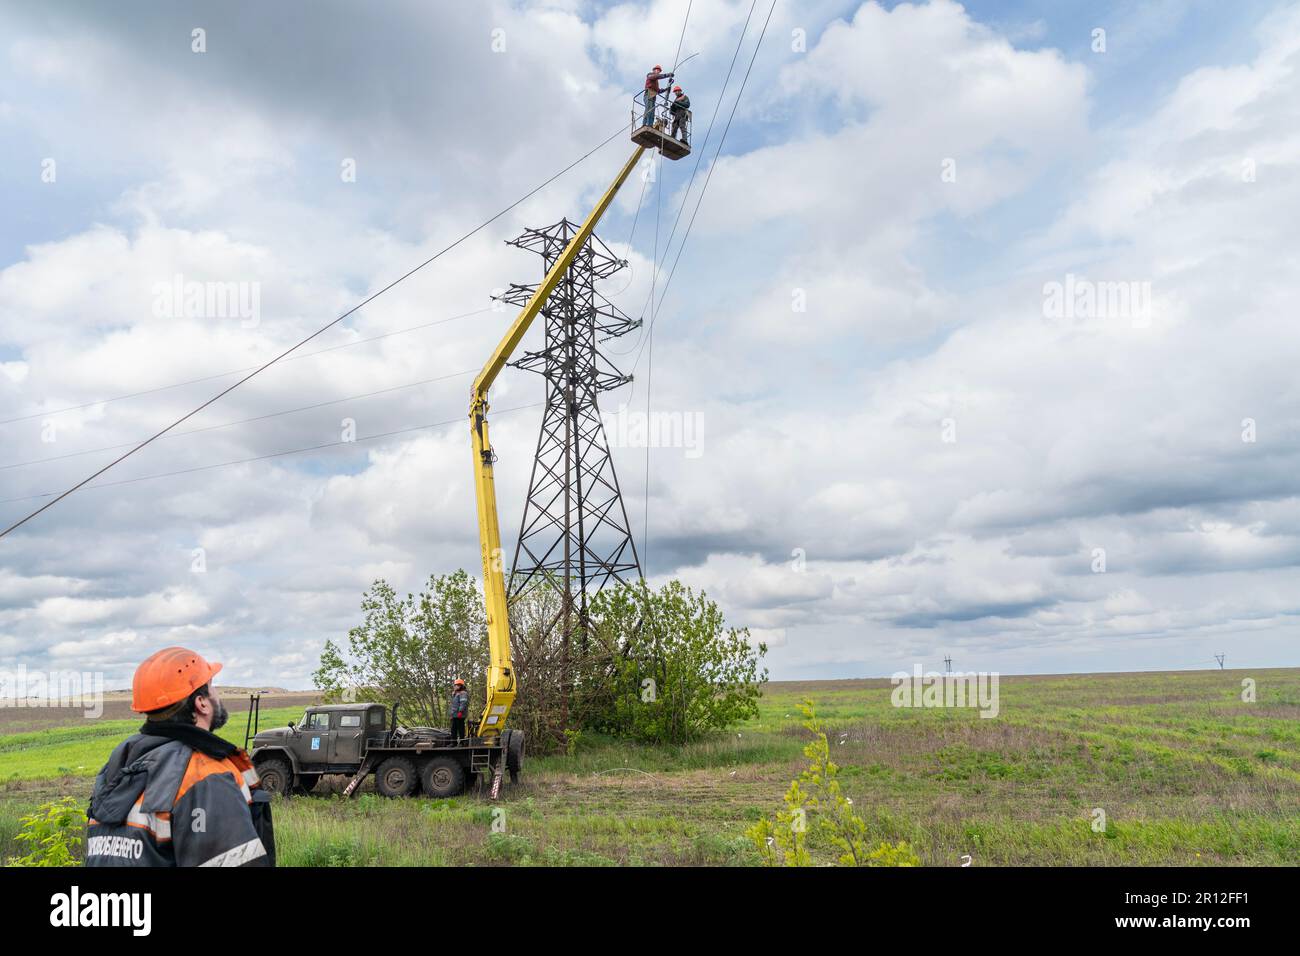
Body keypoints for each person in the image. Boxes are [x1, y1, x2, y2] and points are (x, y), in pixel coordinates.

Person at [85, 646, 275, 867]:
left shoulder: (119, 766)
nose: (217, 694)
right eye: (211, 687)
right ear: (201, 703)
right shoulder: (204, 776)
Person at [643, 64, 674, 128]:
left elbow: (658, 91)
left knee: (652, 111)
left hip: (653, 96)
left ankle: (650, 125)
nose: (658, 71)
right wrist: (667, 75)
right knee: (648, 109)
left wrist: (666, 89)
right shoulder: (650, 75)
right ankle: (644, 124)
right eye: (657, 70)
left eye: (659, 71)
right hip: (648, 94)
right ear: (654, 70)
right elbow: (656, 76)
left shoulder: (656, 81)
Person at [449, 678, 470, 743]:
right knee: (453, 729)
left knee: (460, 729)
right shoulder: (455, 693)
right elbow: (453, 705)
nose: (455, 686)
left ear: (460, 686)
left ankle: (462, 742)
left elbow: (463, 703)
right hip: (454, 715)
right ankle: (453, 743)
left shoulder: (463, 693)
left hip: (460, 715)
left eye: (456, 685)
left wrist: (460, 711)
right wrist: (451, 714)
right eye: (455, 685)